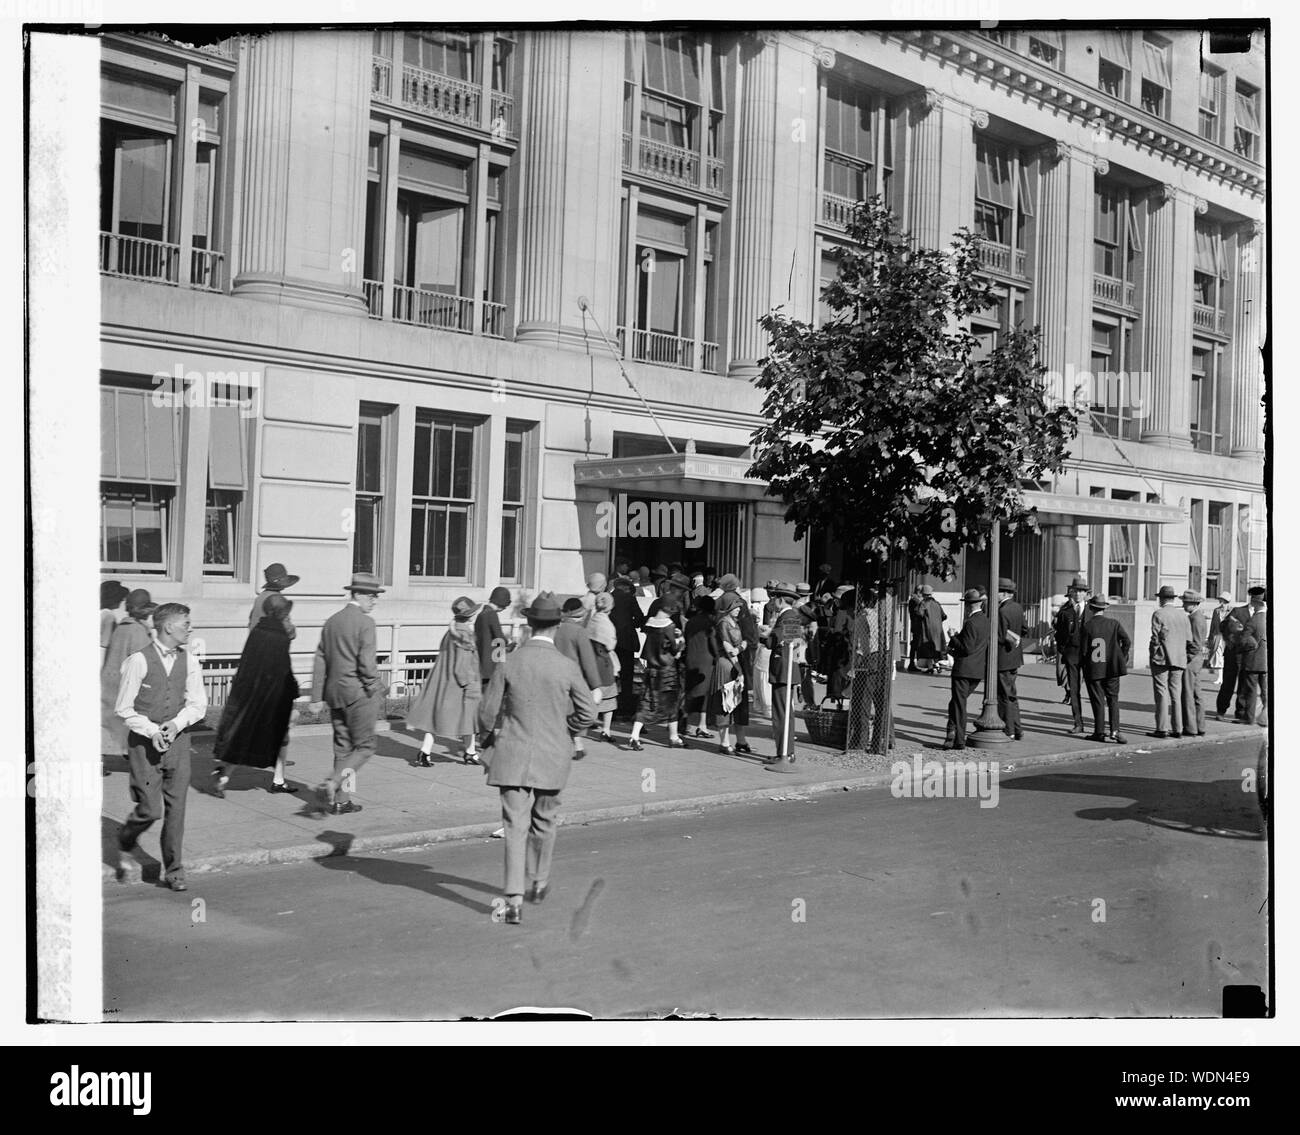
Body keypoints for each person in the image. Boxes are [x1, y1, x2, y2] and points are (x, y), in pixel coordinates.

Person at [479, 593, 597, 924]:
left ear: (529, 624)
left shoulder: (509, 661)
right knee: (545, 821)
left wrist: (484, 736)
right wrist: (567, 728)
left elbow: (487, 711)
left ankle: (513, 898)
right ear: (558, 625)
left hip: (513, 754)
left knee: (514, 826)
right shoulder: (566, 666)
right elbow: (588, 712)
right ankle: (539, 881)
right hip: (553, 753)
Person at [115, 602, 207, 892]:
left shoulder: (189, 660)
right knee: (151, 810)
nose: (190, 629)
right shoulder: (138, 661)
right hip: (145, 746)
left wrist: (176, 725)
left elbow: (198, 704)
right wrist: (153, 730)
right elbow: (124, 709)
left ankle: (174, 871)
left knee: (176, 810)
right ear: (168, 626)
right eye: (186, 624)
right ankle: (127, 836)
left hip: (178, 744)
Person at [309, 572, 386, 815]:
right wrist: (376, 687)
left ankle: (341, 800)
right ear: (358, 594)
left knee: (343, 748)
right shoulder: (366, 623)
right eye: (372, 596)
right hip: (359, 693)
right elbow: (367, 663)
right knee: (365, 747)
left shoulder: (332, 621)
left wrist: (316, 696)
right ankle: (333, 783)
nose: (374, 600)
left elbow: (320, 658)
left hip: (335, 693)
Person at [212, 592, 299, 795]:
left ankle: (225, 774)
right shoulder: (279, 636)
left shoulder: (258, 630)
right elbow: (283, 668)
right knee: (281, 736)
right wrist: (292, 692)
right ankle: (277, 780)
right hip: (273, 695)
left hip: (250, 693)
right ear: (281, 613)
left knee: (245, 737)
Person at [409, 596, 483, 766]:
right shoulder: (465, 635)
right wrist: (469, 683)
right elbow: (463, 665)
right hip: (459, 684)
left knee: (437, 718)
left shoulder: (451, 632)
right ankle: (470, 752)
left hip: (444, 681)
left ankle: (425, 751)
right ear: (470, 615)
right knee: (468, 717)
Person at [101, 589, 157, 759]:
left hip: (111, 683)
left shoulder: (121, 627)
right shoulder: (138, 632)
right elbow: (144, 663)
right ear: (146, 611)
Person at [627, 600, 687, 751]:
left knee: (646, 702)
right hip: (667, 670)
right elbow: (675, 650)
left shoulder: (650, 624)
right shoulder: (669, 626)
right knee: (672, 703)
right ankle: (673, 737)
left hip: (651, 670)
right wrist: (681, 639)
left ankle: (634, 736)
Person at [554, 597, 605, 759]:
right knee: (578, 712)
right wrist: (596, 685)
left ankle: (578, 746)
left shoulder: (556, 629)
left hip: (555, 676)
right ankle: (574, 745)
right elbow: (588, 661)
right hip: (575, 678)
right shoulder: (580, 632)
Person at [761, 583, 805, 764]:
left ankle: (783, 753)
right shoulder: (792, 615)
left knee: (781, 714)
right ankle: (787, 751)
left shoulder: (786, 616)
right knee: (786, 712)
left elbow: (774, 641)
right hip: (788, 668)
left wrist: (762, 634)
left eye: (774, 598)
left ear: (780, 599)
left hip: (782, 669)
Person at [1081, 594, 1131, 743]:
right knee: (1113, 699)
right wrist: (1121, 656)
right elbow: (1126, 641)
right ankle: (1115, 730)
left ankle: (1099, 732)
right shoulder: (1114, 624)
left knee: (1098, 701)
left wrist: (1084, 667)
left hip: (1095, 668)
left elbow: (1083, 651)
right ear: (1104, 608)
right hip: (1112, 667)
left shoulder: (1087, 626)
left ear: (1091, 608)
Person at [943, 589, 988, 751]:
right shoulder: (985, 620)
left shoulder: (970, 622)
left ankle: (958, 739)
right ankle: (951, 733)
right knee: (955, 703)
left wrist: (953, 637)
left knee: (959, 705)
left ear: (969, 605)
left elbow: (966, 647)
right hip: (976, 670)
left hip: (964, 670)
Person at [712, 589, 754, 755]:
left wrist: (741, 647)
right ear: (728, 607)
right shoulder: (723, 623)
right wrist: (740, 649)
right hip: (727, 666)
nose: (739, 609)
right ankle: (724, 742)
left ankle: (739, 741)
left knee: (737, 703)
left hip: (735, 664)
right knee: (726, 703)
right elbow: (730, 650)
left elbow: (741, 645)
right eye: (735, 606)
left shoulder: (733, 622)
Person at [1149, 584, 1191, 738]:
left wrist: (1154, 653)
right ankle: (1178, 729)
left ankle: (1161, 728)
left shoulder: (1158, 614)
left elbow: (1155, 638)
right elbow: (1189, 639)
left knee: (1161, 692)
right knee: (1176, 694)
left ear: (1161, 599)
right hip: (1179, 658)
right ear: (1172, 599)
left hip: (1161, 658)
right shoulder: (1183, 616)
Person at [1054, 577, 1093, 736]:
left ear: (1086, 594)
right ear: (1071, 592)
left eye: (1081, 591)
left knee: (1094, 689)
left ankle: (1098, 725)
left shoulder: (1092, 610)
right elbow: (1059, 634)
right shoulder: (1065, 612)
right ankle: (1078, 723)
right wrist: (1065, 650)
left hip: (1090, 656)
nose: (1078, 594)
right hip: (1072, 655)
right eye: (1076, 591)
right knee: (1074, 690)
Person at [586, 591, 621, 741]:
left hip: (590, 659)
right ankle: (606, 730)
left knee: (591, 692)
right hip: (604, 660)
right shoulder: (606, 623)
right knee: (609, 697)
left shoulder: (591, 619)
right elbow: (611, 644)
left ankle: (588, 722)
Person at [683, 595, 720, 738]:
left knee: (690, 691)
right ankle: (701, 725)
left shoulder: (691, 621)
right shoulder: (710, 623)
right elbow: (713, 642)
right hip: (706, 660)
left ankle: (687, 724)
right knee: (704, 694)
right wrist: (718, 657)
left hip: (691, 658)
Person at [610, 576, 646, 717]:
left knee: (611, 676)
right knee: (626, 676)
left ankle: (609, 709)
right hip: (626, 641)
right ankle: (624, 709)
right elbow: (638, 617)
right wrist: (634, 624)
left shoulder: (607, 597)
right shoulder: (629, 599)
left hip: (609, 641)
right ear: (626, 588)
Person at [996, 577, 1027, 741]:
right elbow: (1025, 630)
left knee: (1004, 696)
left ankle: (1009, 729)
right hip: (1015, 657)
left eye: (998, 591)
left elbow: (1000, 637)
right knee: (1012, 694)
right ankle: (1017, 728)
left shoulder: (1002, 611)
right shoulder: (1017, 608)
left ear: (1003, 593)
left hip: (1003, 658)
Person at [1215, 594, 1252, 720]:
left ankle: (1240, 713)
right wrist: (1230, 641)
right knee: (1228, 684)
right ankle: (1221, 710)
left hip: (1249, 656)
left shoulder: (1263, 615)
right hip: (1233, 654)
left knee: (1244, 685)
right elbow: (1223, 626)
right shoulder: (1238, 611)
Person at [1236, 587, 1268, 726]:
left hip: (1253, 661)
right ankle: (1266, 718)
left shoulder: (1254, 620)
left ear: (1256, 604)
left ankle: (1249, 718)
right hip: (1266, 662)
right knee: (1266, 691)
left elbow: (1243, 640)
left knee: (1251, 690)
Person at [1180, 589, 1208, 737]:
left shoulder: (1195, 619)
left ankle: (1190, 727)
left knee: (1188, 694)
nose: (1184, 605)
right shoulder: (1198, 616)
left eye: (1185, 602)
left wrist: (1186, 657)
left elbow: (1196, 643)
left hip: (1192, 660)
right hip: (1197, 659)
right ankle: (1200, 725)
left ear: (1193, 604)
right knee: (1197, 694)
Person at [476, 586, 513, 688]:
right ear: (501, 604)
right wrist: (509, 642)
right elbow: (499, 637)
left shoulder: (481, 614)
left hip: (481, 662)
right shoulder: (491, 614)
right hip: (491, 664)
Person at [249, 562, 300, 627]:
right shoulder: (277, 600)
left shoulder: (261, 596)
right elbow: (287, 628)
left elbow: (251, 619)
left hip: (256, 635)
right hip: (269, 636)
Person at [912, 584, 947, 674]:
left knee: (928, 648)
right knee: (935, 648)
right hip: (938, 630)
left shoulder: (923, 603)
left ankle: (933, 666)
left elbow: (919, 614)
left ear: (923, 594)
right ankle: (934, 666)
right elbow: (944, 616)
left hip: (927, 629)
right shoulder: (937, 603)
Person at [1206, 592, 1234, 687]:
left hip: (1228, 637)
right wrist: (1210, 637)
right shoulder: (1216, 611)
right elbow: (1213, 625)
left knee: (1226, 657)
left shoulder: (1232, 611)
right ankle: (1220, 677)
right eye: (1220, 601)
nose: (1221, 603)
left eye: (1223, 602)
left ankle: (1225, 678)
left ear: (1227, 602)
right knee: (1218, 656)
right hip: (1218, 636)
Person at [100, 580, 129, 666]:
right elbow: (105, 643)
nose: (122, 600)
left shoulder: (101, 613)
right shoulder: (109, 616)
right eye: (120, 598)